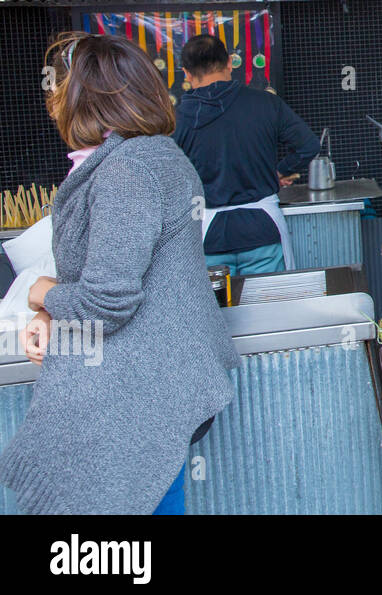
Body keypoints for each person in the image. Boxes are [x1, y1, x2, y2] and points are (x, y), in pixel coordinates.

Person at [0, 32, 238, 514]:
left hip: (145, 388)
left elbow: (108, 301)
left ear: (83, 99)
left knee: (137, 503)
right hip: (164, 379)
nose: (54, 101)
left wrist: (40, 294)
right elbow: (112, 276)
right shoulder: (154, 156)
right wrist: (55, 311)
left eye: (61, 90)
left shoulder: (128, 171)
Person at [174, 35, 319, 276]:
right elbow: (308, 144)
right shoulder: (265, 104)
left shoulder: (177, 119)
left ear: (186, 73)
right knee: (270, 308)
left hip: (208, 235)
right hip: (262, 230)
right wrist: (279, 172)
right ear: (230, 62)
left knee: (216, 313)